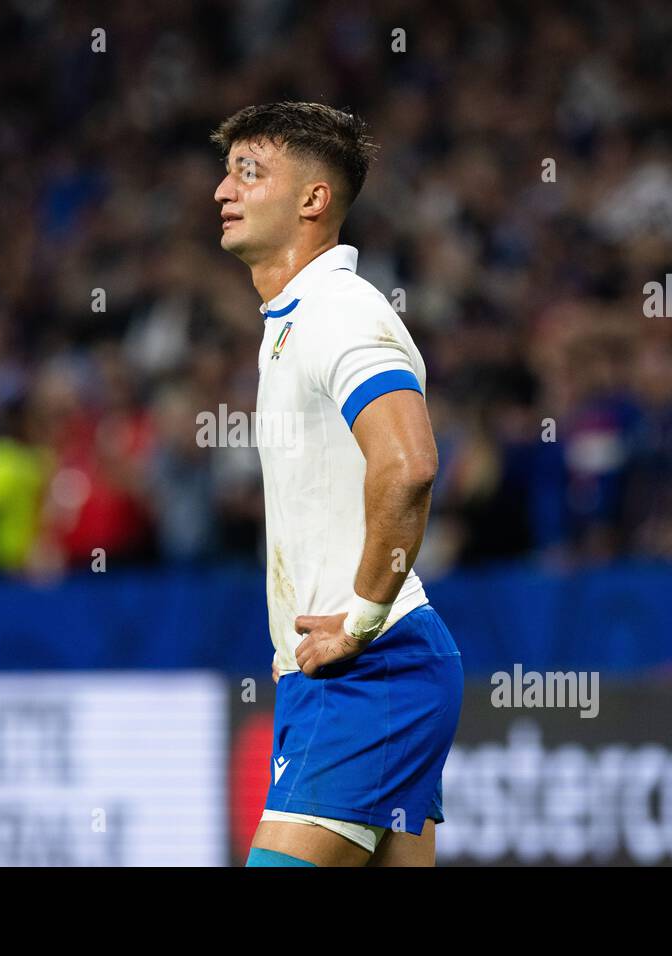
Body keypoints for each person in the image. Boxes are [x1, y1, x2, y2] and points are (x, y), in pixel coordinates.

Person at [212, 102, 463, 866]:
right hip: (358, 671)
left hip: (368, 670)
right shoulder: (291, 319)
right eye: (226, 171)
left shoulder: (341, 312)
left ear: (313, 200)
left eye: (249, 172)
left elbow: (411, 463)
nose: (223, 190)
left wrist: (360, 619)